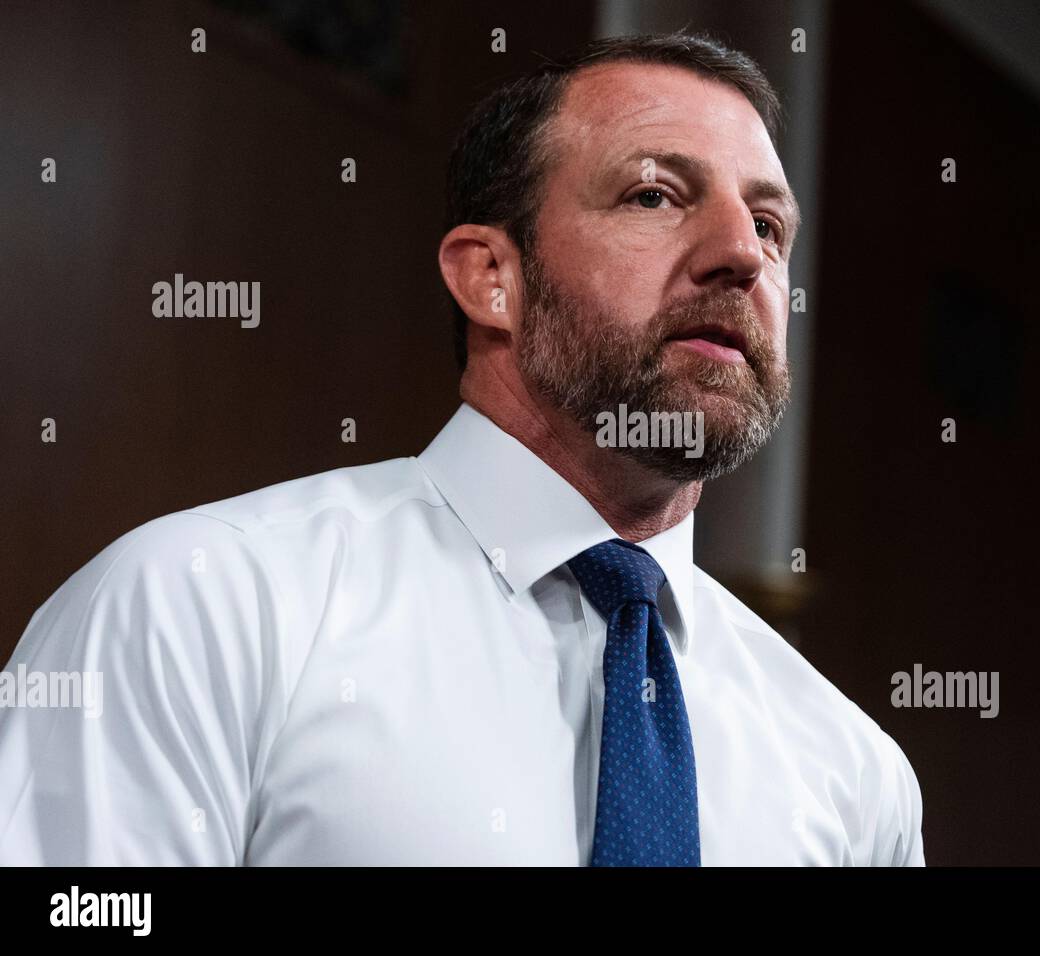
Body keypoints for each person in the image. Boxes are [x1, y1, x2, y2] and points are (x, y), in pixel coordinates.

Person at [0, 31, 924, 866]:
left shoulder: (851, 774)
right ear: (491, 277)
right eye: (655, 193)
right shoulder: (197, 608)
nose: (741, 254)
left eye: (769, 226)